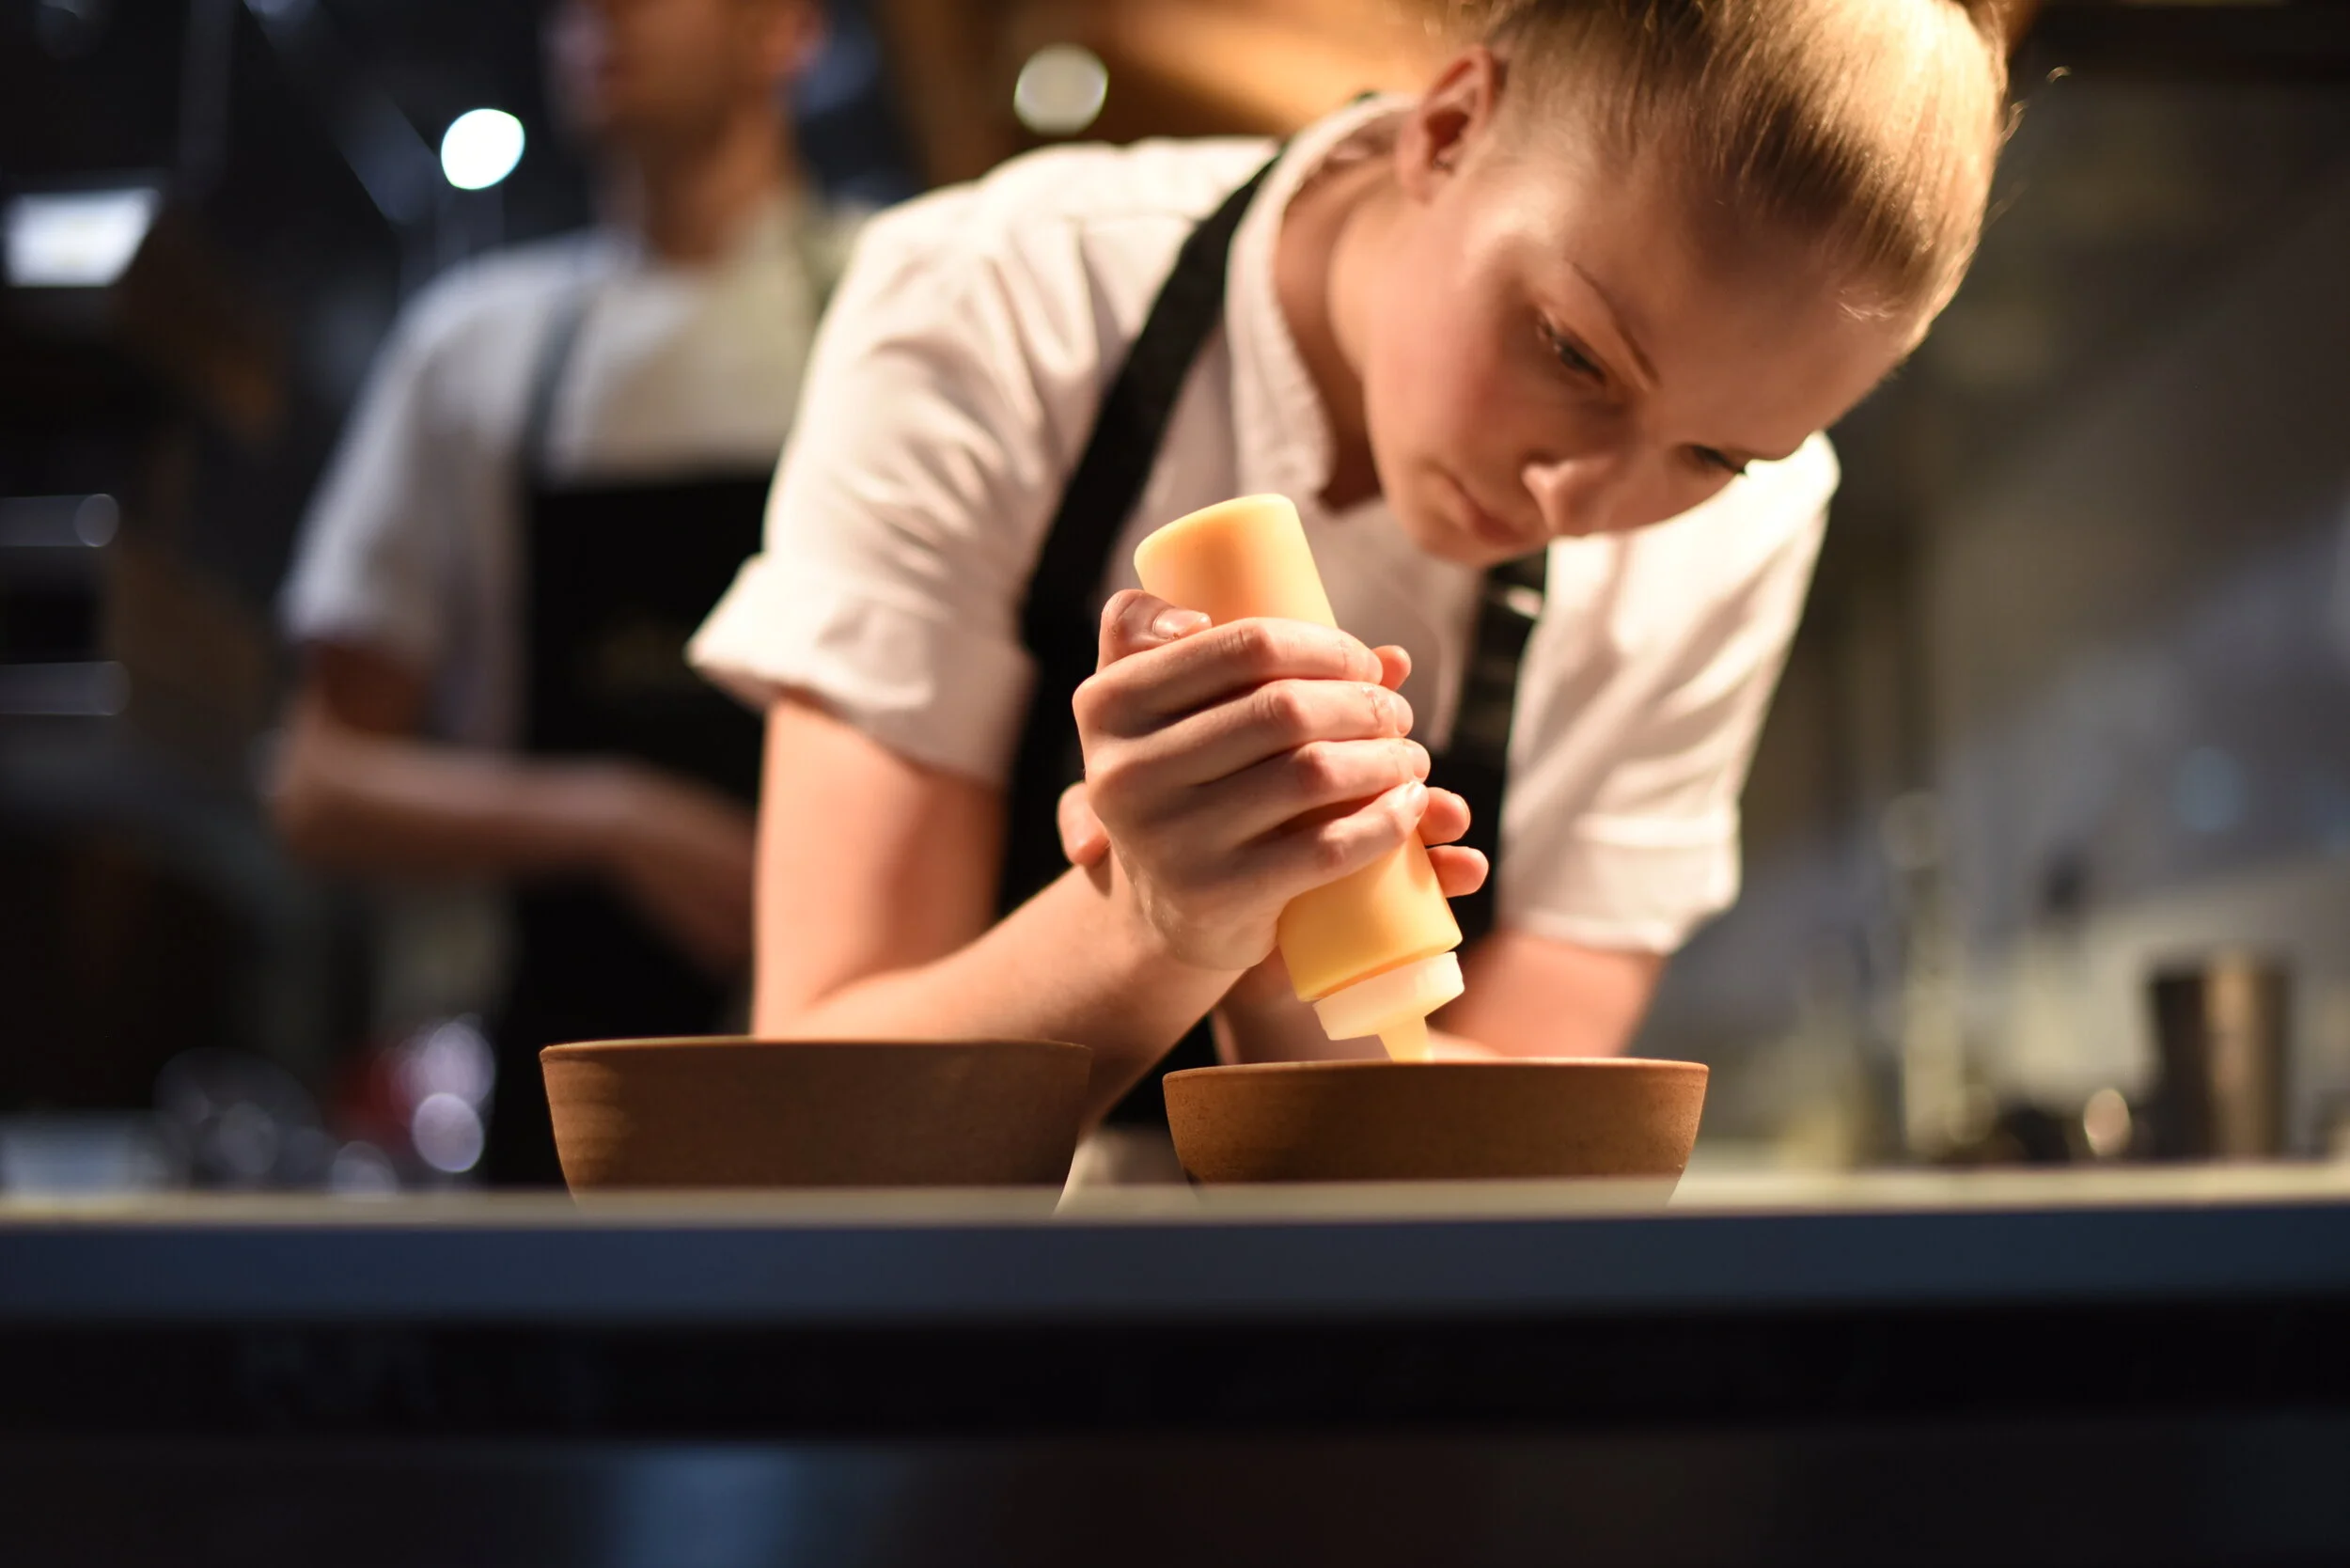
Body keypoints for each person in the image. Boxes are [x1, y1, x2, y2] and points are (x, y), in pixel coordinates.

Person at [691, 0, 2013, 1132]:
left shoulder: (1740, 533)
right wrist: (1148, 925)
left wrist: (1285, 973)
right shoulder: (1002, 305)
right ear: (1446, 129)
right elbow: (817, 1111)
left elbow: (1507, 1162)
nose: (1581, 494)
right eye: (1572, 354)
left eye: (1713, 454)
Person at [273, 0, 857, 1183]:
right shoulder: (475, 349)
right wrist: (609, 817)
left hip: (858, 1063)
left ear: (785, 30)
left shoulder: (903, 301)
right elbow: (316, 783)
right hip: (554, 1076)